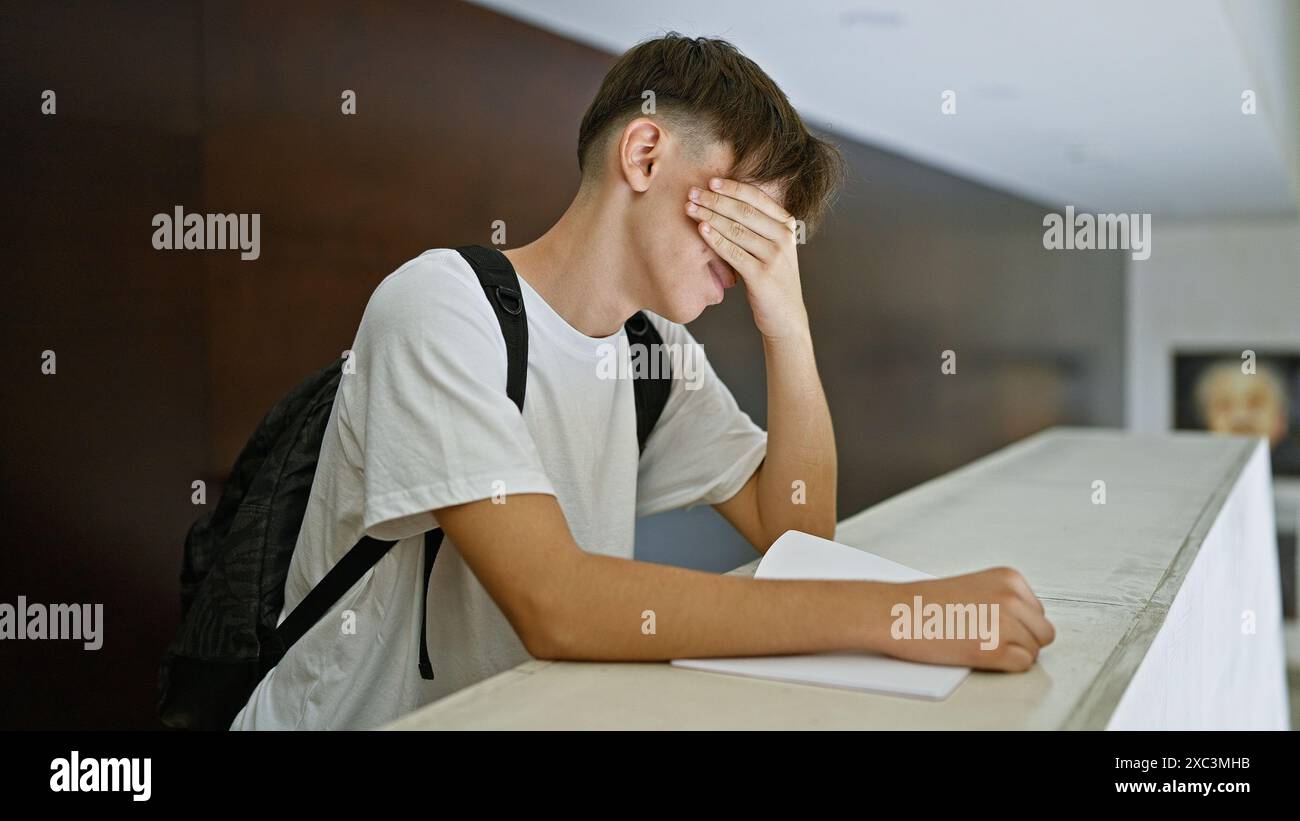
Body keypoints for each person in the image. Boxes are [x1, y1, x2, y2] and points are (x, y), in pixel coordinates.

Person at [232, 33, 1054, 730]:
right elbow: (556, 601)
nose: (757, 255)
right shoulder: (439, 305)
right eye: (752, 216)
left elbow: (797, 536)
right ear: (646, 153)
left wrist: (789, 327)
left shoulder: (650, 350)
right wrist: (907, 616)